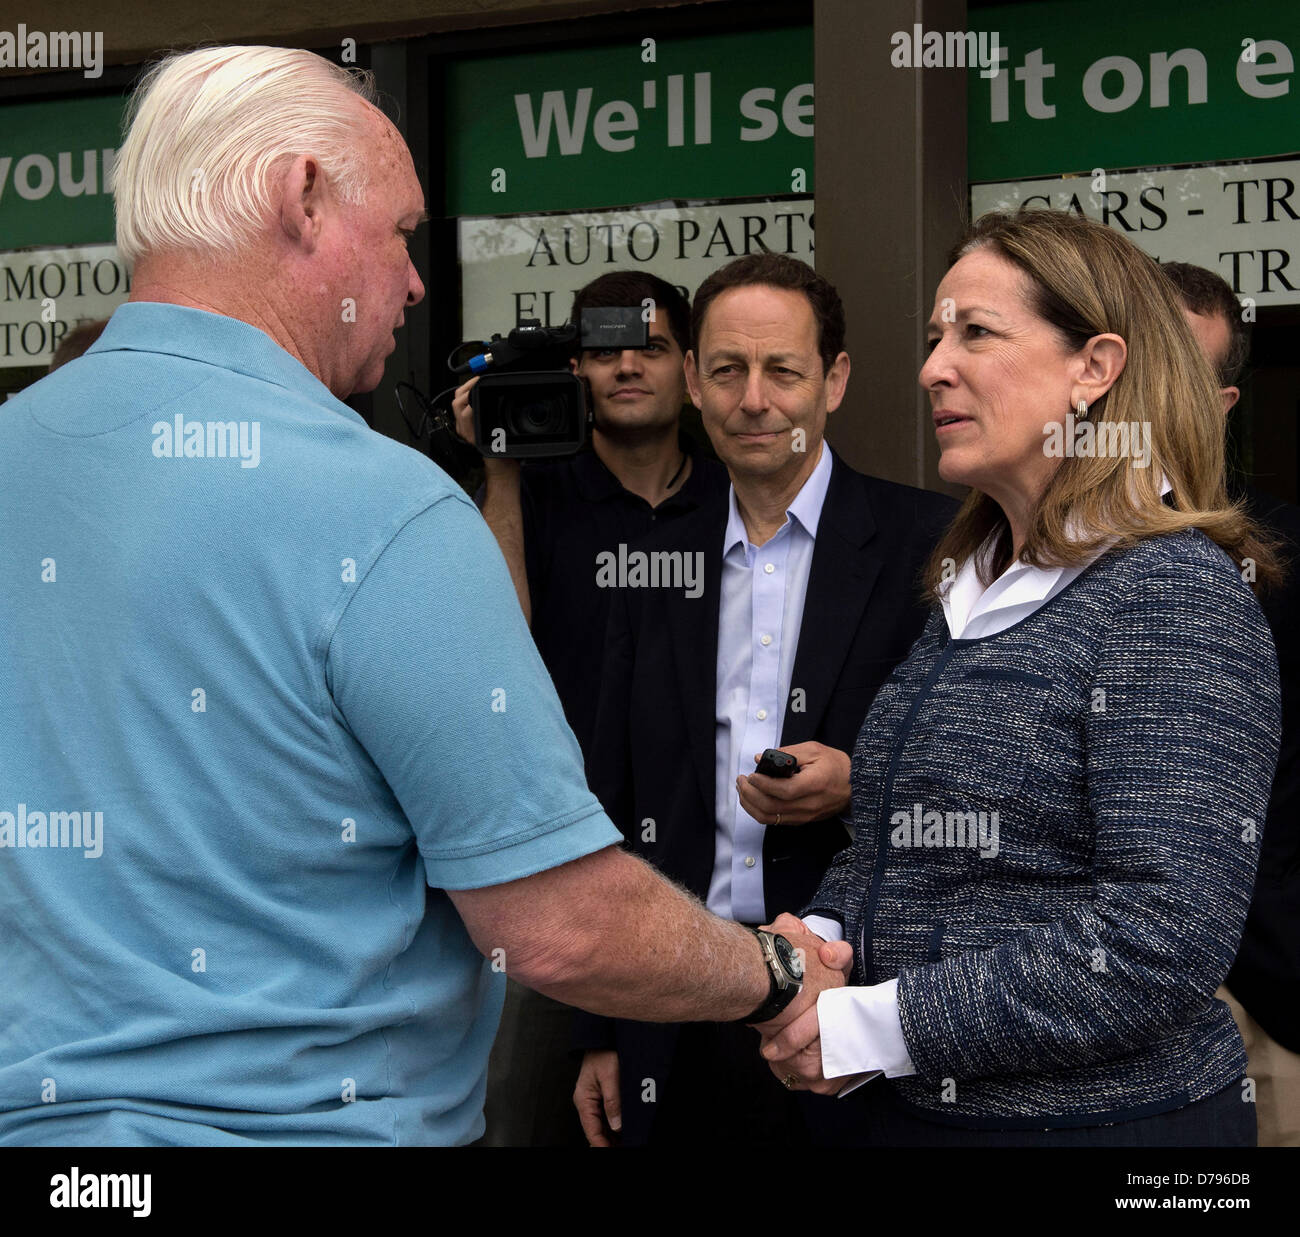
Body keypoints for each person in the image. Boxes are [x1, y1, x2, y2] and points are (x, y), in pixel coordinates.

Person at [0, 44, 851, 1147]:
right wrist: (780, 973)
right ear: (300, 196)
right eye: (401, 231)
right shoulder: (378, 506)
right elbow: (556, 926)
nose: (412, 280)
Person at [760, 209, 1283, 1146]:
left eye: (975, 333)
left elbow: (1160, 938)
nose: (932, 368)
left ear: (1096, 367)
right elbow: (901, 843)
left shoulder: (1171, 594)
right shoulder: (971, 579)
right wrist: (823, 936)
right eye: (932, 337)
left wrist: (870, 1028)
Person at [572, 253, 958, 1146]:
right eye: (727, 371)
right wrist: (602, 1029)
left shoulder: (932, 545)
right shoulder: (648, 557)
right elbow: (610, 794)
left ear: (835, 380)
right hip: (680, 1001)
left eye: (782, 370)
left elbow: (993, 779)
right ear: (696, 388)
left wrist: (865, 783)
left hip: (854, 1003)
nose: (755, 400)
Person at [451, 273, 728, 1146]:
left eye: (647, 347)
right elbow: (496, 642)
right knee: (522, 1120)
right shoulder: (529, 494)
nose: (626, 367)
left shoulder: (731, 500)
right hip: (547, 851)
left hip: (704, 859)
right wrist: (498, 465)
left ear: (687, 366)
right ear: (575, 369)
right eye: (603, 351)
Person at [1163, 260, 1300, 1147]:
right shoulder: (1023, 555)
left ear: (1224, 403)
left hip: (1272, 996)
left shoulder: (1288, 556)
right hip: (1091, 1017)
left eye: (1184, 377)